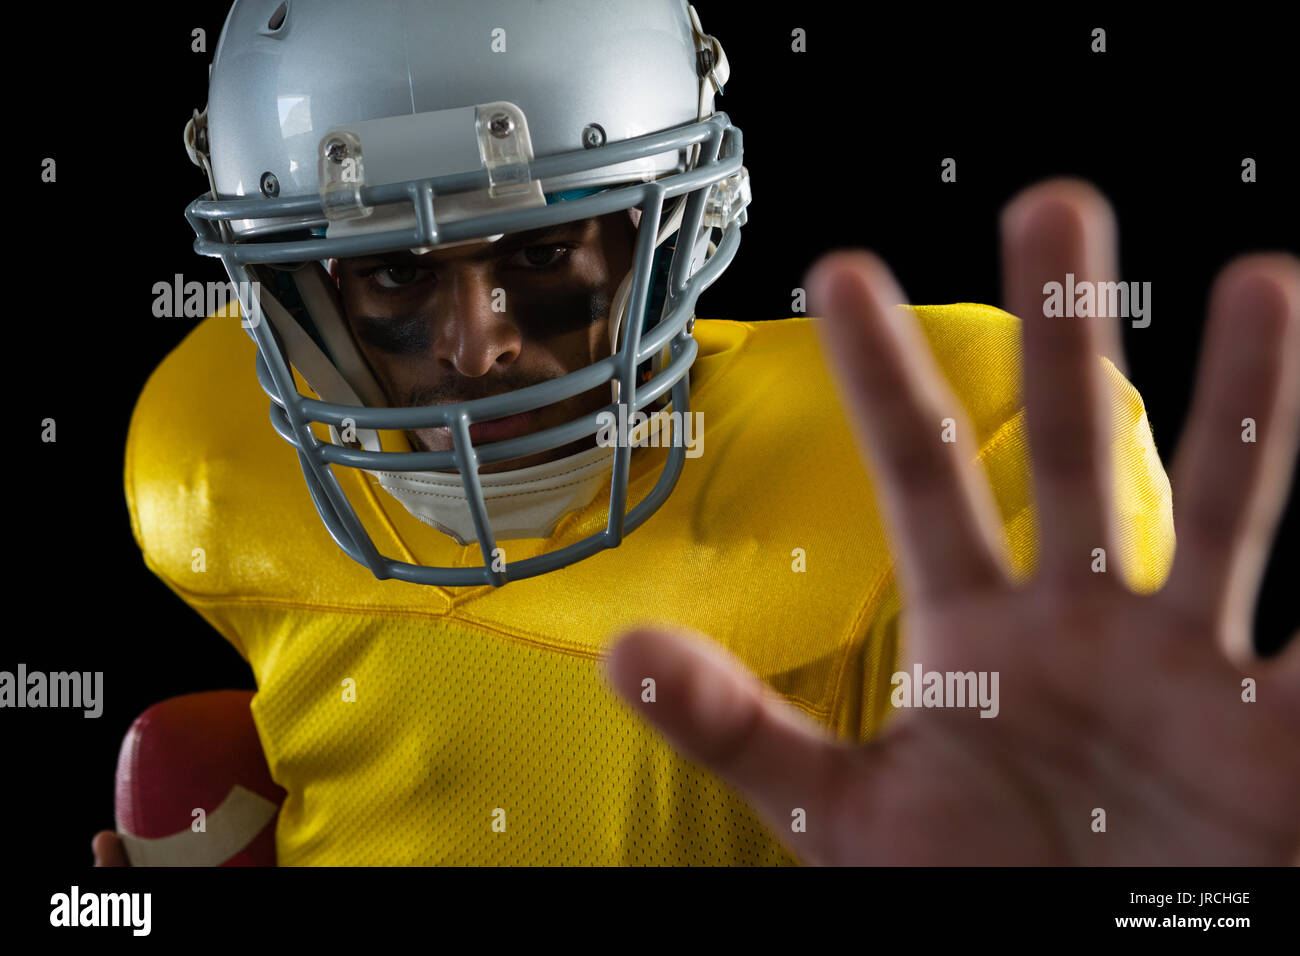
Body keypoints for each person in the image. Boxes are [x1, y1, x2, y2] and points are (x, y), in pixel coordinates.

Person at [95, 0, 1298, 866]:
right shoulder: (217, 470)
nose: (478, 346)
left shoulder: (960, 455)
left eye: (541, 251)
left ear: (679, 226)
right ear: (295, 296)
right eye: (397, 273)